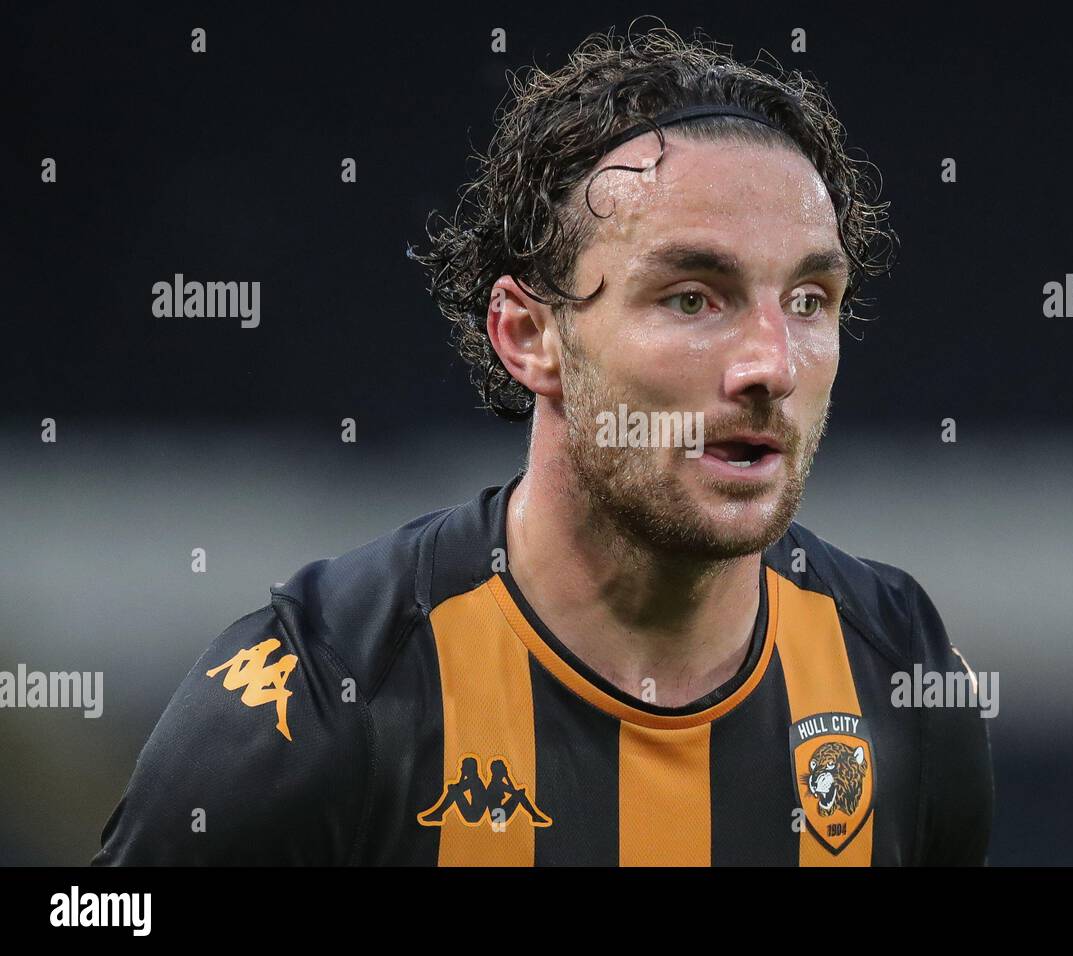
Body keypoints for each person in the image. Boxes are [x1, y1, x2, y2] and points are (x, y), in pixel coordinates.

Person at [92, 24, 991, 867]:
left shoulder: (901, 678)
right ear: (528, 336)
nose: (771, 364)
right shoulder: (319, 705)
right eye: (691, 297)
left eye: (808, 301)